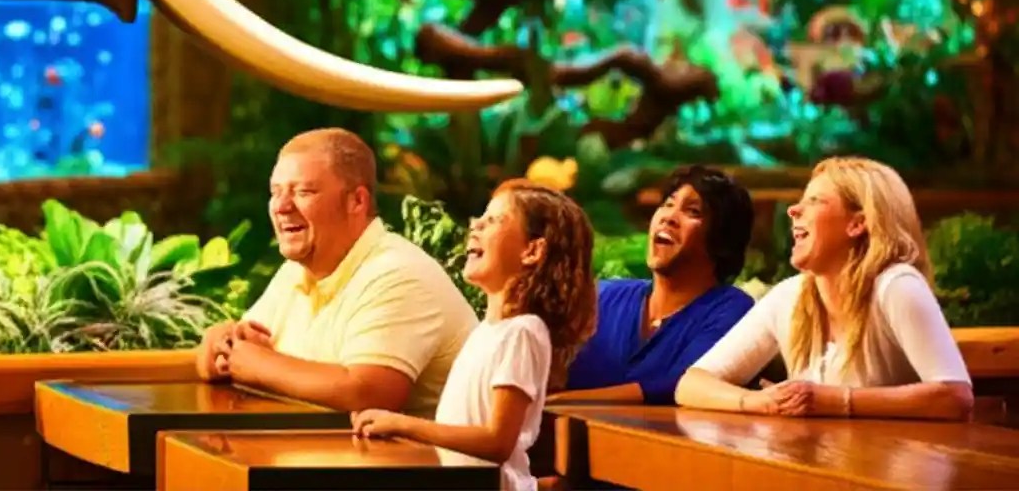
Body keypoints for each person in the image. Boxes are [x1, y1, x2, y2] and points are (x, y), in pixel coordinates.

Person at [194, 127, 478, 414]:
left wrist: (253, 363)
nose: (281, 206)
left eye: (303, 191)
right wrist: (217, 343)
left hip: (417, 458)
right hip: (326, 452)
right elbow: (239, 351)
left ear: (357, 201)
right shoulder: (296, 270)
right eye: (275, 192)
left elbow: (369, 393)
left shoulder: (398, 273)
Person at [675, 156, 974, 421]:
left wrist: (835, 401)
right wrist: (759, 402)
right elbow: (691, 384)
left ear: (857, 224)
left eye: (815, 201)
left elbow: (954, 397)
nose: (793, 210)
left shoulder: (897, 286)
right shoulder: (790, 295)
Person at [351, 180, 597, 491]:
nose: (475, 224)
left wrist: (403, 424)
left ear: (532, 251)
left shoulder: (523, 332)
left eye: (494, 220)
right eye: (481, 216)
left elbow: (497, 442)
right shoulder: (488, 331)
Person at [550, 165, 755, 405]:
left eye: (693, 211)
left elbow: (678, 385)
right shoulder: (604, 296)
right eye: (668, 204)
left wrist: (560, 403)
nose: (669, 217)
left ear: (722, 240)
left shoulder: (732, 310)